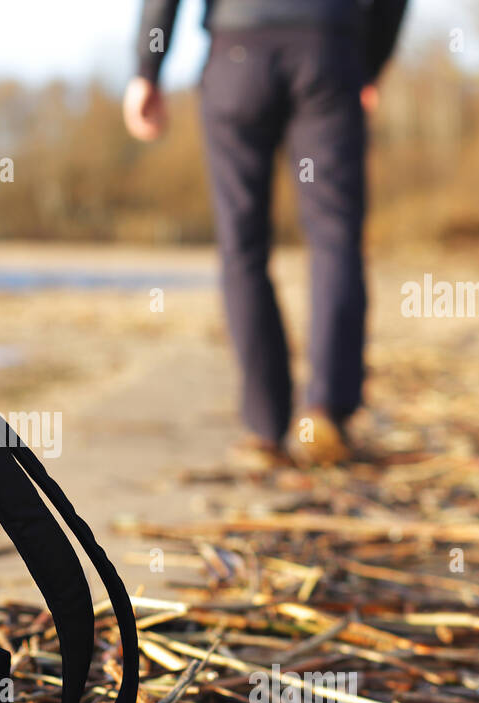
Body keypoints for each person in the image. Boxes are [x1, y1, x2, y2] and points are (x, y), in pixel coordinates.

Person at [125, 0, 407, 466]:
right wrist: (369, 61)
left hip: (238, 53)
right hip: (328, 47)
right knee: (334, 237)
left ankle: (264, 426)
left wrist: (147, 69)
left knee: (242, 245)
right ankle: (326, 413)